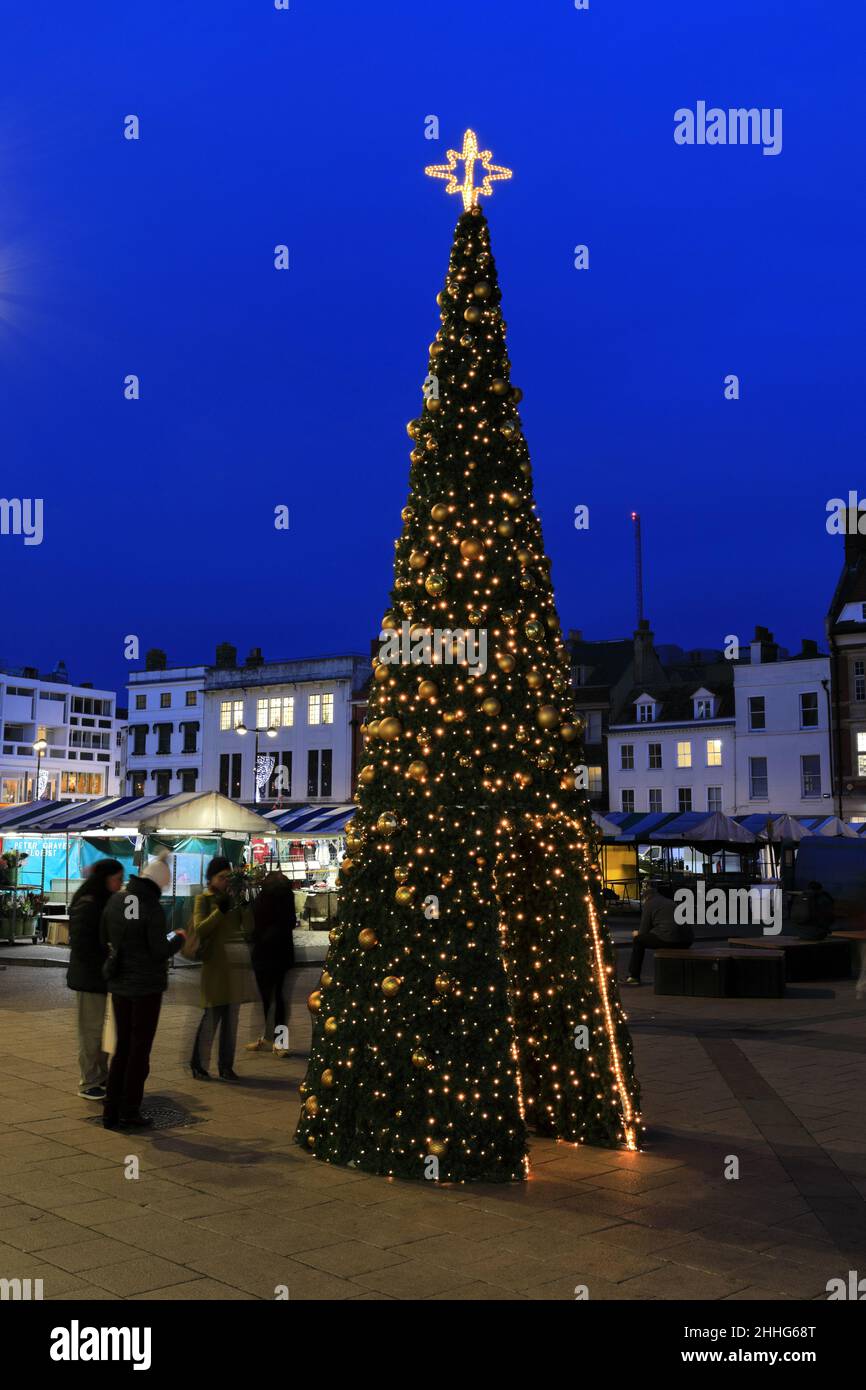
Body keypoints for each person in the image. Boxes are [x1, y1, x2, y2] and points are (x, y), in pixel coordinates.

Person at [100, 850, 185, 1129]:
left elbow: (105, 936)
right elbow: (158, 950)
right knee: (139, 1050)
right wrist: (178, 940)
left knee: (122, 1047)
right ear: (158, 883)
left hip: (120, 985)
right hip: (146, 988)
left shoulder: (116, 900)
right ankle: (130, 1110)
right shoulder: (150, 906)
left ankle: (110, 1110)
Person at [189, 857, 254, 1081]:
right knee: (211, 1018)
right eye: (221, 877)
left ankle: (226, 1066)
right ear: (211, 879)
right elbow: (200, 929)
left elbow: (249, 928)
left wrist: (245, 906)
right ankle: (198, 1064)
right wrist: (220, 911)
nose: (225, 881)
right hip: (214, 968)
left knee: (231, 1022)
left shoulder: (235, 900)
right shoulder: (203, 899)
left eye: (228, 877)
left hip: (234, 967)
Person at [66, 858, 124, 1100]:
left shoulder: (104, 901)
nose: (120, 885)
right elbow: (82, 944)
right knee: (91, 1031)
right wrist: (107, 952)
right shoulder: (88, 903)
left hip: (102, 977)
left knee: (103, 1031)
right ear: (105, 878)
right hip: (90, 978)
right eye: (117, 879)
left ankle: (101, 1076)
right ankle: (88, 1080)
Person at [245, 871, 296, 1057]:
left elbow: (259, 924)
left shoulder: (269, 897)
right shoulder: (278, 897)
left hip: (269, 954)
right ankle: (273, 1040)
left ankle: (276, 1041)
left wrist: (261, 936)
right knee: (273, 999)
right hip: (274, 954)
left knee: (272, 999)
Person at [625, 880, 693, 985]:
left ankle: (634, 976)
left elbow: (643, 930)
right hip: (686, 940)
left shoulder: (649, 904)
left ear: (645, 898)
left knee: (638, 941)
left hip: (669, 938)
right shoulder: (668, 901)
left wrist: (636, 934)